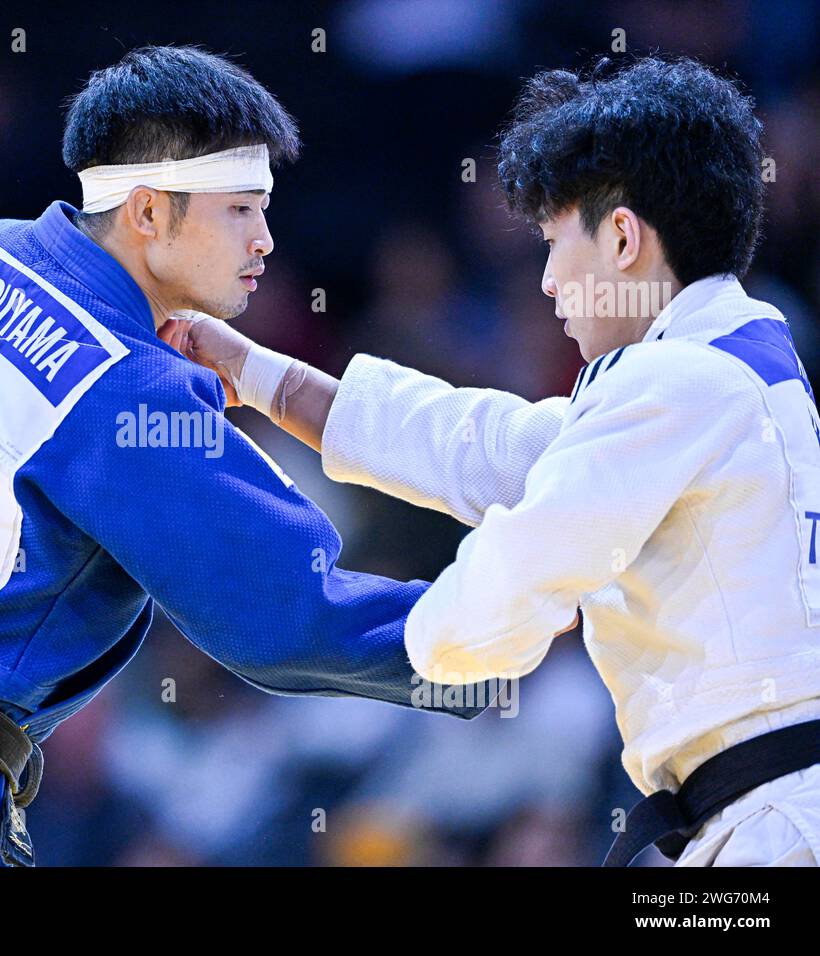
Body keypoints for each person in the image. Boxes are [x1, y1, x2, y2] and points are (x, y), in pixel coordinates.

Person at [0, 45, 489, 868]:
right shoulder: (126, 384)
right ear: (147, 212)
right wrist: (487, 635)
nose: (264, 239)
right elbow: (288, 614)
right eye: (239, 210)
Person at [168, 57, 820, 866]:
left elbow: (521, 568)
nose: (547, 283)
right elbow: (481, 445)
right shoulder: (724, 365)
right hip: (766, 815)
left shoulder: (679, 382)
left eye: (553, 243)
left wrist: (345, 645)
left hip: (775, 827)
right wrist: (264, 377)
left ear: (622, 238)